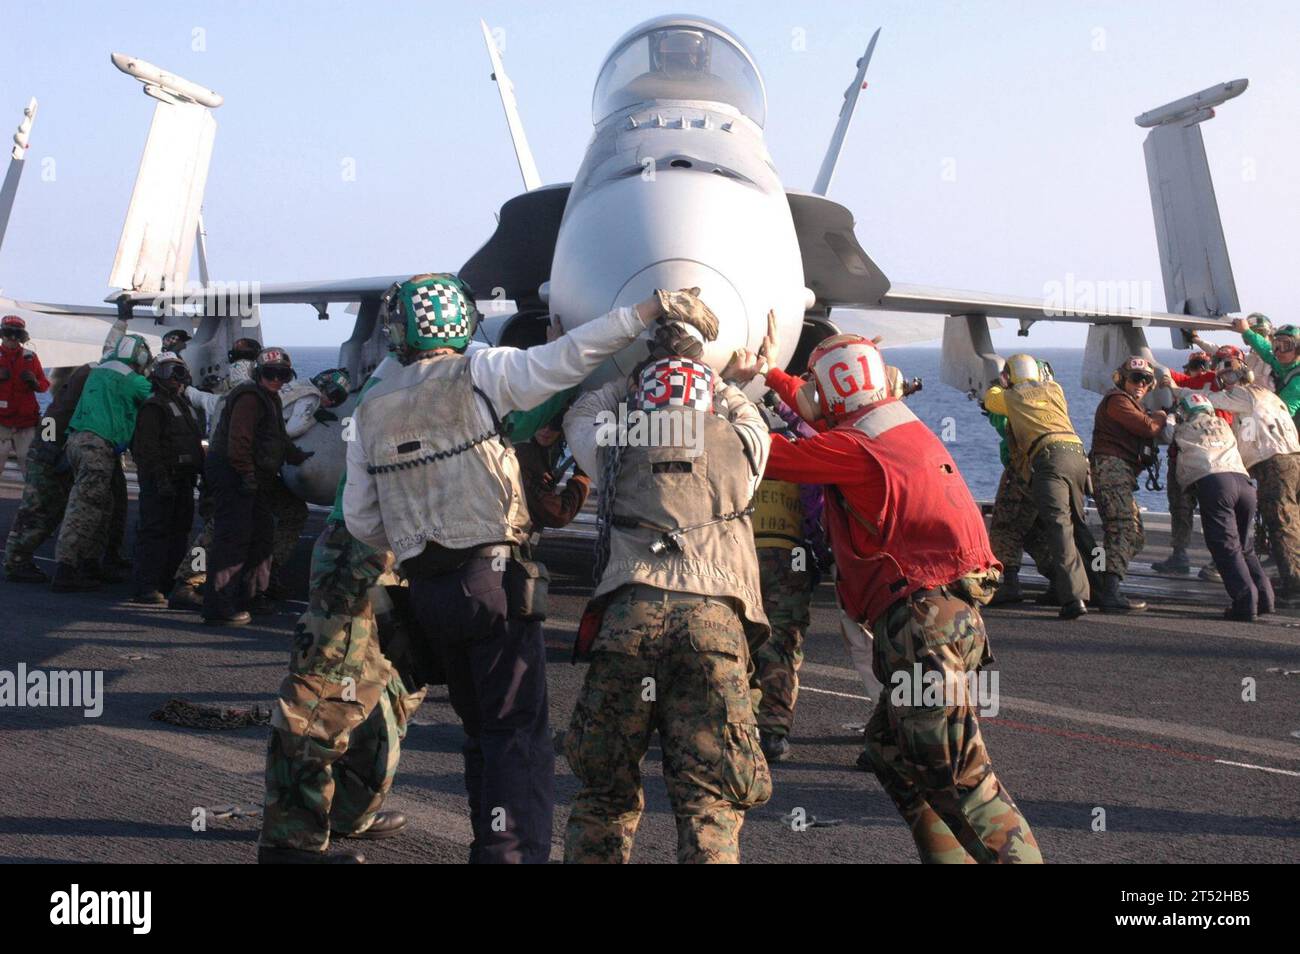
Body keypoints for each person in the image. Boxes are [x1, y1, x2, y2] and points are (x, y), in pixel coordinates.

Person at [344, 274, 702, 864]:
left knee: (481, 731)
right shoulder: (481, 372)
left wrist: (419, 537)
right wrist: (647, 309)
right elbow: (568, 358)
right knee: (518, 735)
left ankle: (492, 845)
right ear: (462, 323)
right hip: (491, 582)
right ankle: (510, 854)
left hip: (428, 594)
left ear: (399, 330)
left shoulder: (370, 408)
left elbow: (362, 520)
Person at [735, 334, 1040, 863]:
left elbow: (771, 456)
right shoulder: (895, 424)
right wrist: (771, 373)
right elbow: (823, 410)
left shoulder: (852, 449)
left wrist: (731, 395)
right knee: (892, 750)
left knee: (959, 781)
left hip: (920, 627)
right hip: (950, 616)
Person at [563, 323, 772, 864]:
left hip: (629, 615)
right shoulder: (743, 445)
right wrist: (722, 382)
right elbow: (747, 412)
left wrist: (623, 387)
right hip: (713, 624)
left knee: (603, 794)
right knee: (710, 801)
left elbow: (579, 416)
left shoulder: (613, 443)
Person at [1174, 353, 1300, 607]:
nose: (1228, 383)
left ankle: (1295, 587)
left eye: (1231, 377)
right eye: (1225, 378)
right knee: (1291, 521)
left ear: (1242, 376)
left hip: (1273, 463)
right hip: (1291, 459)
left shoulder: (1244, 395)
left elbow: (1207, 399)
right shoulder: (1269, 396)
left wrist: (1174, 388)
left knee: (1282, 524)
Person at [202, 347, 311, 625]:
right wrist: (246, 474)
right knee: (233, 540)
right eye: (271, 374)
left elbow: (277, 436)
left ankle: (249, 596)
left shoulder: (269, 398)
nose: (277, 379)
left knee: (262, 537)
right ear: (258, 374)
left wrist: (296, 455)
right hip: (235, 474)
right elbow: (239, 441)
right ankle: (219, 607)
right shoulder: (250, 399)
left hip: (253, 476)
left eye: (283, 375)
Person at [983, 354, 1095, 619]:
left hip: (1042, 463)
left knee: (1031, 525)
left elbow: (992, 399)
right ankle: (1100, 584)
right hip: (1077, 457)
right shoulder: (1055, 390)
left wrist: (997, 385)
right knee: (1075, 526)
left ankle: (1070, 595)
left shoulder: (1011, 398)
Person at [51, 334, 153, 591]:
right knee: (85, 507)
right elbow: (154, 395)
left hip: (77, 442)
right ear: (139, 355)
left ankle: (89, 564)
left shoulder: (101, 368)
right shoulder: (133, 380)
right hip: (97, 446)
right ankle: (66, 569)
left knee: (102, 505)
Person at [1170, 393, 1273, 621]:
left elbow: (1166, 433)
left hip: (1215, 483)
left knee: (1225, 546)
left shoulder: (1184, 428)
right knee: (1245, 547)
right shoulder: (1226, 426)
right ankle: (1265, 598)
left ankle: (1245, 603)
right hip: (1244, 484)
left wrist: (1166, 418)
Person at [1088, 357, 1165, 612]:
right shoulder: (1117, 401)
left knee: (1134, 536)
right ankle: (1108, 592)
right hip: (1111, 470)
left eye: (1146, 380)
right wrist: (1163, 417)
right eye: (1135, 378)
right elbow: (1148, 428)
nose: (1140, 384)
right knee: (1122, 529)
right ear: (1122, 379)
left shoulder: (1132, 404)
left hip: (1122, 474)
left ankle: (1100, 579)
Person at [128, 354, 204, 604]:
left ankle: (169, 581)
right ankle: (146, 585)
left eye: (180, 372)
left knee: (179, 531)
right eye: (170, 371)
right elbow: (146, 449)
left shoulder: (184, 405)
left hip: (183, 480)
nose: (176, 377)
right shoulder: (154, 406)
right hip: (161, 481)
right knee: (154, 532)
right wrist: (160, 479)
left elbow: (192, 443)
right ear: (158, 374)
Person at [1152, 351, 1218, 577]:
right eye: (1196, 365)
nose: (1199, 369)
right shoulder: (1214, 393)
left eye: (1201, 365)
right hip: (1206, 464)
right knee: (1198, 510)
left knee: (1186, 509)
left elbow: (1170, 433)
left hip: (1190, 462)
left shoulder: (1198, 392)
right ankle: (1193, 557)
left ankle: (1201, 559)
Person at [0, 315, 50, 479]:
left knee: (29, 466)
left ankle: (33, 502)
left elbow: (44, 385)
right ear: (2, 335)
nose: (13, 338)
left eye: (17, 334)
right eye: (9, 333)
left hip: (25, 422)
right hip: (2, 423)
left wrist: (35, 383)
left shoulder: (30, 357)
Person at [1237, 318, 1300, 422]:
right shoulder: (1284, 364)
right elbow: (1265, 350)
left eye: (1285, 345)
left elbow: (1282, 411)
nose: (1278, 351)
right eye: (1276, 345)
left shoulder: (1297, 381)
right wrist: (1246, 331)